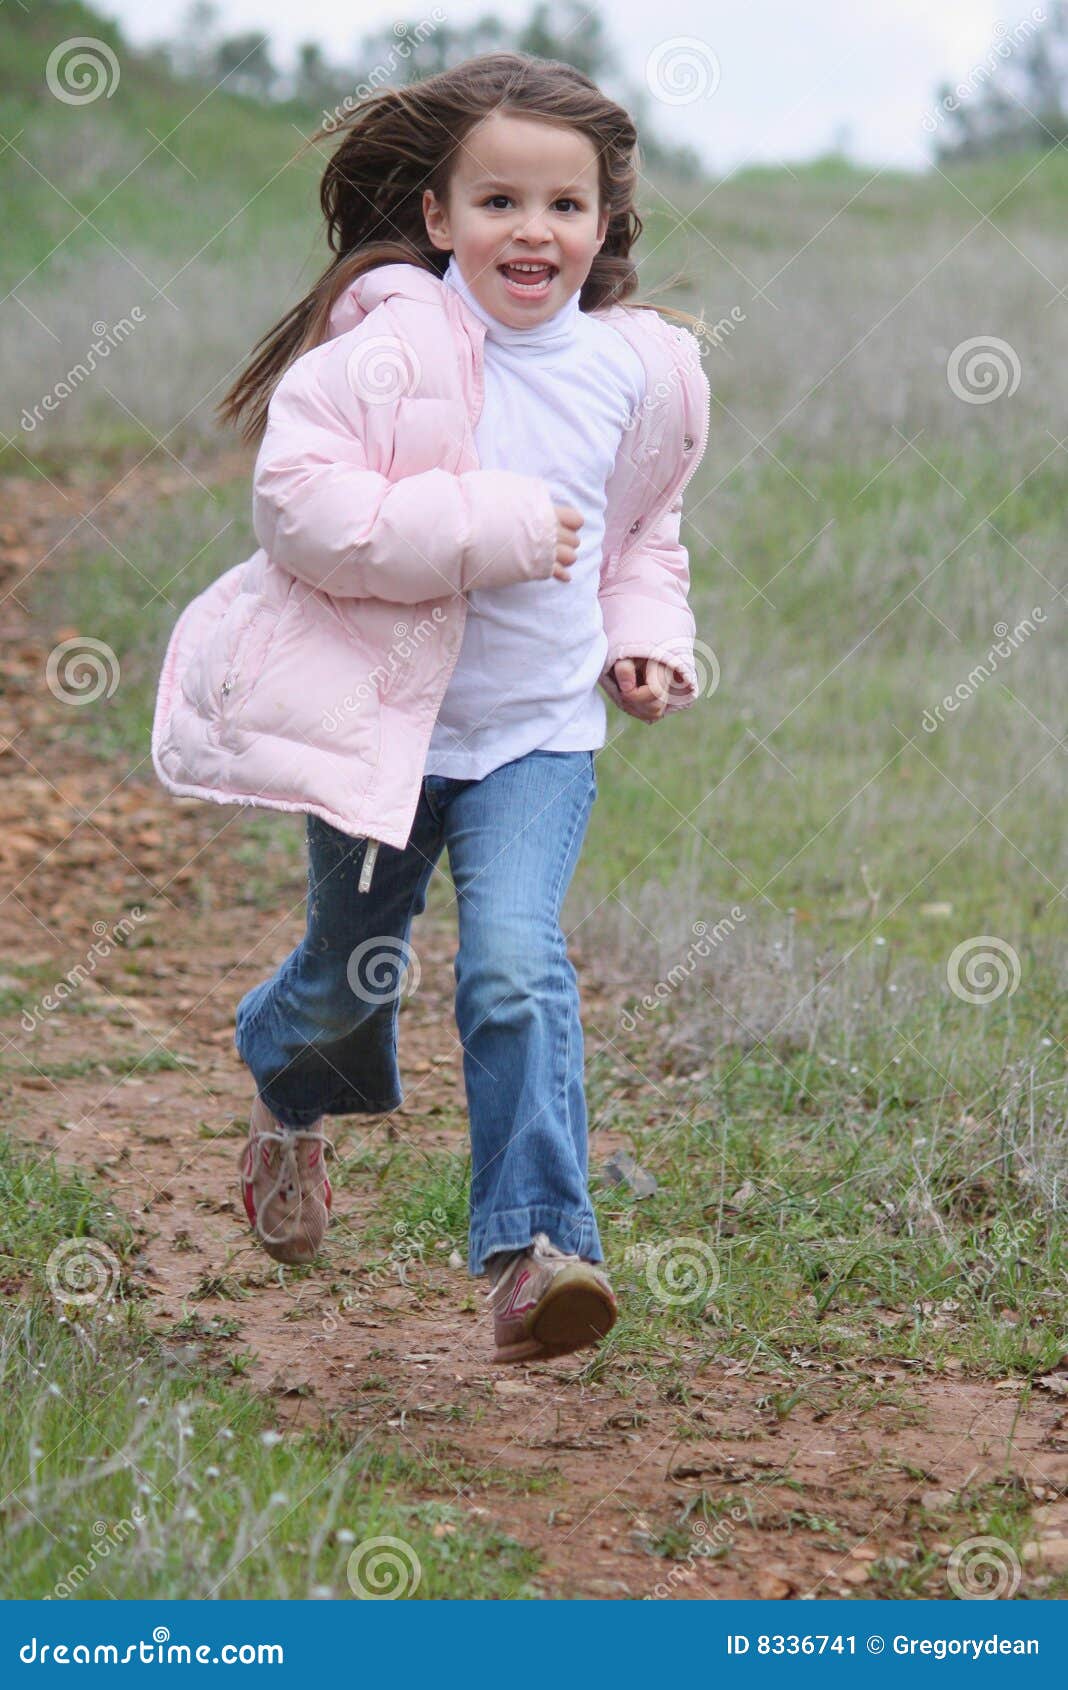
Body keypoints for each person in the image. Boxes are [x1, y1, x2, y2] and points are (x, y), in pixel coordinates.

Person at [151, 51, 710, 1365]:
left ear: (604, 225)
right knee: (344, 980)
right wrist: (492, 524)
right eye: (502, 202)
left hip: (536, 738)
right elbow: (300, 512)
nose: (535, 230)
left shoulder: (642, 375)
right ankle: (280, 1078)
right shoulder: (390, 347)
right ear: (442, 218)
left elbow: (643, 538)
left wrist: (646, 642)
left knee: (517, 964)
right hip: (382, 738)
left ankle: (538, 1253)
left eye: (564, 207)